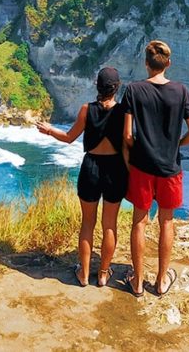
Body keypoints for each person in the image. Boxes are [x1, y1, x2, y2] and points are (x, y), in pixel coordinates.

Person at [36, 66, 128, 287]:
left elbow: (69, 138)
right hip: (115, 169)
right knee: (109, 225)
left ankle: (84, 274)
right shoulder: (124, 112)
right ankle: (104, 274)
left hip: (91, 167)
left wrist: (48, 130)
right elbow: (128, 141)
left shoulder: (87, 109)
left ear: (97, 86)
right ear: (117, 88)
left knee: (87, 223)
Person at [122, 40, 189, 297]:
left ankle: (137, 282)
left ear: (146, 64)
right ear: (168, 63)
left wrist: (136, 152)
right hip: (170, 167)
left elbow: (128, 135)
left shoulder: (133, 90)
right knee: (167, 222)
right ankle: (161, 280)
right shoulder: (181, 91)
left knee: (139, 222)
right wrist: (175, 146)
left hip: (142, 166)